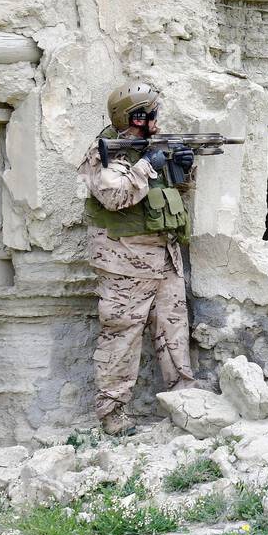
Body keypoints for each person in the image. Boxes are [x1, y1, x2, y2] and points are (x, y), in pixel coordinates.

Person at [78, 81, 196, 436]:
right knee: (122, 337)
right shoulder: (103, 154)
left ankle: (185, 398)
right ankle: (113, 415)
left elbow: (175, 192)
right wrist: (147, 163)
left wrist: (183, 168)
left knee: (174, 329)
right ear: (134, 117)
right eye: (151, 116)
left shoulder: (150, 146)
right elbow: (113, 197)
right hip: (124, 261)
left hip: (164, 254)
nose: (157, 122)